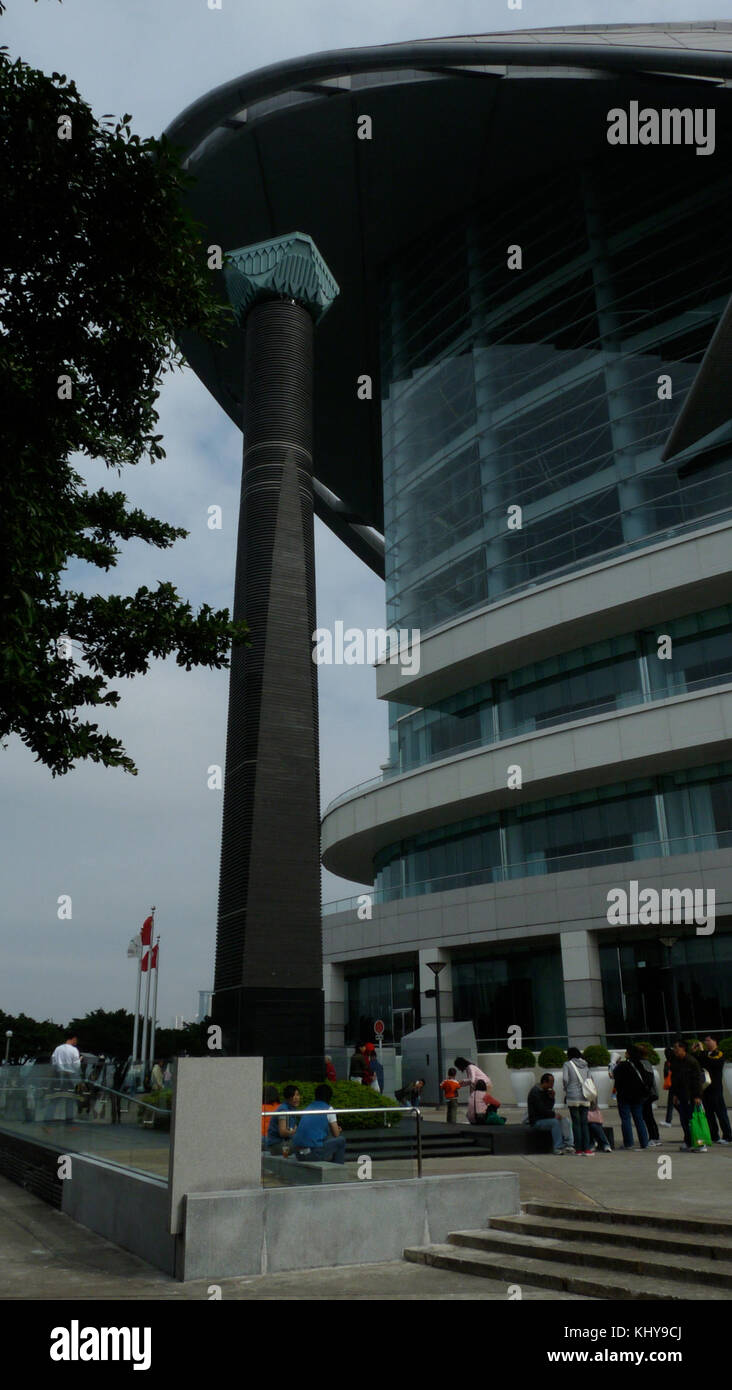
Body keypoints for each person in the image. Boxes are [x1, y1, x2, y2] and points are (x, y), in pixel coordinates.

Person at [291, 1083, 346, 1164]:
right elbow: (336, 1134)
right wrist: (337, 1129)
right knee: (341, 1140)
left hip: (299, 1154)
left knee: (325, 1138)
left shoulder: (308, 1107)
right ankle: (338, 1168)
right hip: (313, 1154)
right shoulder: (329, 1109)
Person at [612, 1046, 651, 1150]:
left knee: (626, 1119)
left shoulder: (623, 1065)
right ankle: (644, 1142)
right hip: (638, 1096)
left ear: (629, 1054)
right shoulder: (641, 1064)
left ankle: (628, 1143)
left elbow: (613, 1075)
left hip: (624, 1095)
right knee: (639, 1119)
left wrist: (613, 1064)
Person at [670, 1039, 705, 1152]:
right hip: (681, 1096)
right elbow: (675, 1079)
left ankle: (700, 1144)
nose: (674, 1050)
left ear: (683, 1048)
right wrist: (675, 1094)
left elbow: (697, 1080)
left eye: (676, 1048)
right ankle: (688, 1142)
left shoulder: (691, 1061)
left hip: (692, 1096)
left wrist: (697, 1096)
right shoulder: (676, 1061)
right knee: (685, 1121)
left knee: (695, 1122)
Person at [527, 1073, 574, 1153]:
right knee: (555, 1122)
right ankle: (557, 1147)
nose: (552, 1085)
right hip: (537, 1121)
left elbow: (549, 1108)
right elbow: (540, 1109)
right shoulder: (535, 1092)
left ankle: (569, 1145)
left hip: (546, 1118)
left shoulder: (546, 1091)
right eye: (551, 1082)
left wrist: (551, 1098)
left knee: (565, 1120)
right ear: (545, 1082)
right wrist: (553, 1115)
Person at [562, 1047, 594, 1155]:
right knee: (584, 1123)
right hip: (585, 1096)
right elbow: (590, 1078)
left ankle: (579, 1149)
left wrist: (566, 1088)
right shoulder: (585, 1064)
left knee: (576, 1123)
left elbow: (565, 1079)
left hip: (572, 1096)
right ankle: (587, 1148)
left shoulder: (567, 1064)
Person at [702, 1035, 732, 1144]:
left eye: (708, 1040)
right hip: (705, 1088)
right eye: (705, 1040)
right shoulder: (705, 1054)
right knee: (709, 1114)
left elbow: (714, 1064)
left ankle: (728, 1135)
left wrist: (702, 1054)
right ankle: (714, 1136)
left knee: (721, 1113)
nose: (706, 1042)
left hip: (716, 1088)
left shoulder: (719, 1054)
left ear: (715, 1042)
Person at [46, 1034, 81, 1123]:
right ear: (73, 1038)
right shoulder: (74, 1050)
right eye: (76, 1040)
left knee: (54, 1098)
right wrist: (80, 1060)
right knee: (69, 1099)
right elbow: (76, 1065)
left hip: (58, 1075)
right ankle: (69, 1119)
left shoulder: (58, 1048)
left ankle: (48, 1117)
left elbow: (53, 1061)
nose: (76, 1042)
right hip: (69, 1076)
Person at [454, 1057, 493, 1124]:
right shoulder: (468, 1068)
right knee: (477, 1101)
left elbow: (472, 1079)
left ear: (461, 1065)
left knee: (482, 1102)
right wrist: (459, 1085)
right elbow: (470, 1081)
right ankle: (476, 1117)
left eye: (458, 1067)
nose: (458, 1069)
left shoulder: (470, 1067)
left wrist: (461, 1081)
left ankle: (482, 1118)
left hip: (484, 1085)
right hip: (481, 1085)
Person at [636, 1044, 661, 1144]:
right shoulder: (647, 1062)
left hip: (647, 1093)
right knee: (648, 1115)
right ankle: (655, 1136)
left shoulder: (642, 1063)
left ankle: (653, 1137)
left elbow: (647, 1079)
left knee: (647, 1116)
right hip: (650, 1092)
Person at [264, 1084, 301, 1152]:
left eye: (298, 1095)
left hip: (285, 1142)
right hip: (277, 1145)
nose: (296, 1098)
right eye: (293, 1096)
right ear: (288, 1098)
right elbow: (282, 1132)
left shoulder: (292, 1109)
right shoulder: (283, 1110)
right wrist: (295, 1132)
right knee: (302, 1145)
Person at [659, 1046, 675, 1127]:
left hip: (672, 1085)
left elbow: (665, 1074)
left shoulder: (667, 1062)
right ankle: (689, 1118)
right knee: (677, 1104)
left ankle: (668, 1121)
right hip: (678, 1084)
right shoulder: (676, 1061)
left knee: (671, 1104)